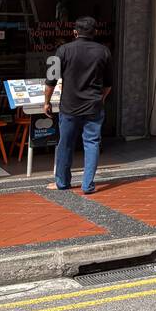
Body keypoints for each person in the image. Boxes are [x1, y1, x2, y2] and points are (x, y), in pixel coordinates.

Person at [44, 16, 112, 194]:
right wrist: (100, 99)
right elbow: (108, 84)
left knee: (65, 144)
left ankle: (62, 182)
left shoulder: (62, 50)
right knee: (92, 143)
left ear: (75, 32)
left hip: (69, 107)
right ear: (94, 32)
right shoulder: (104, 52)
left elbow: (50, 80)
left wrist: (46, 102)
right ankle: (88, 184)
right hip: (94, 107)